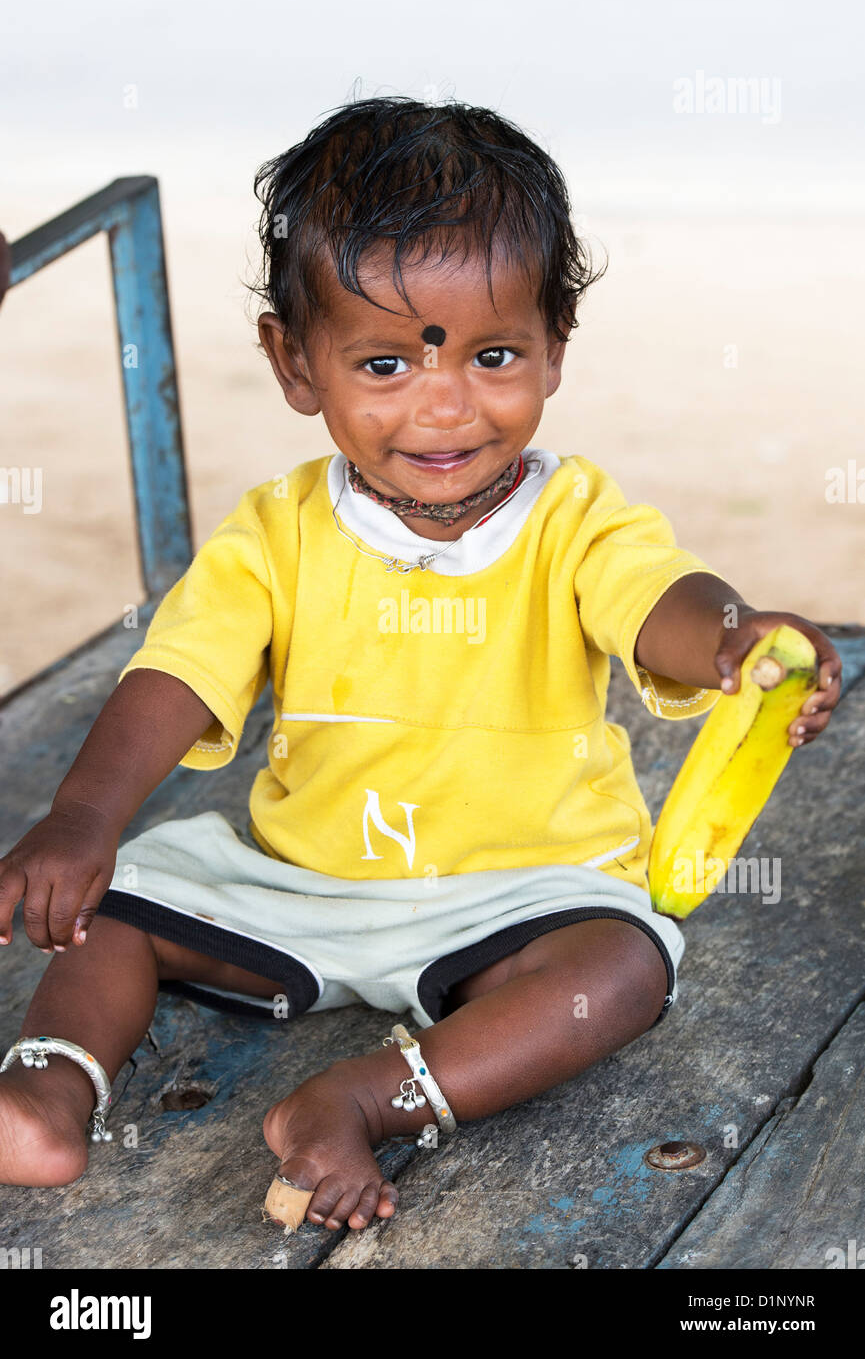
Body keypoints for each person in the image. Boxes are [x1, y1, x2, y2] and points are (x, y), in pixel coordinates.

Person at [0, 97, 842, 1235]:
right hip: (299, 879)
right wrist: (83, 816)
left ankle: (365, 1095)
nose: (444, 405)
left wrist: (735, 631)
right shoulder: (274, 531)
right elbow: (178, 675)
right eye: (385, 362)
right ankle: (51, 1091)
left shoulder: (576, 517)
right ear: (295, 363)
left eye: (493, 354)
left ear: (554, 347)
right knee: (113, 908)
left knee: (623, 970)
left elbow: (662, 605)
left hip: (519, 894)